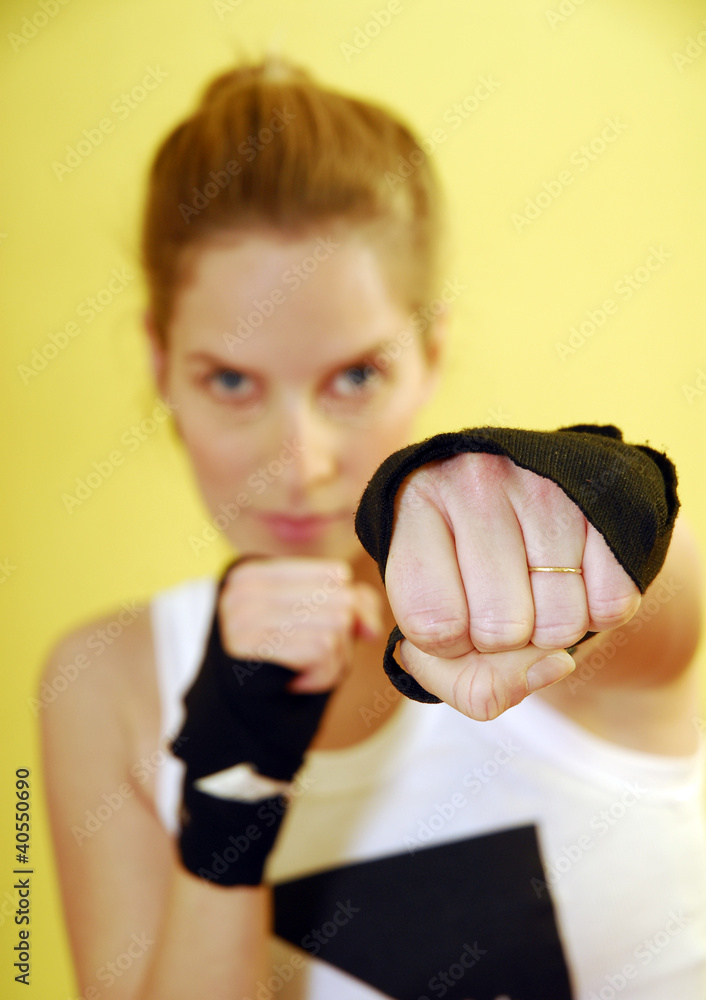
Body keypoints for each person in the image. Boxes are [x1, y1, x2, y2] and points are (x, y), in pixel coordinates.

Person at [40, 58, 706, 1000]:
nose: (300, 460)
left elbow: (661, 589)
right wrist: (230, 788)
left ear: (430, 353)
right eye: (231, 381)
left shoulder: (543, 579)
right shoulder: (105, 681)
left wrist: (593, 494)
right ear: (160, 364)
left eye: (354, 378)